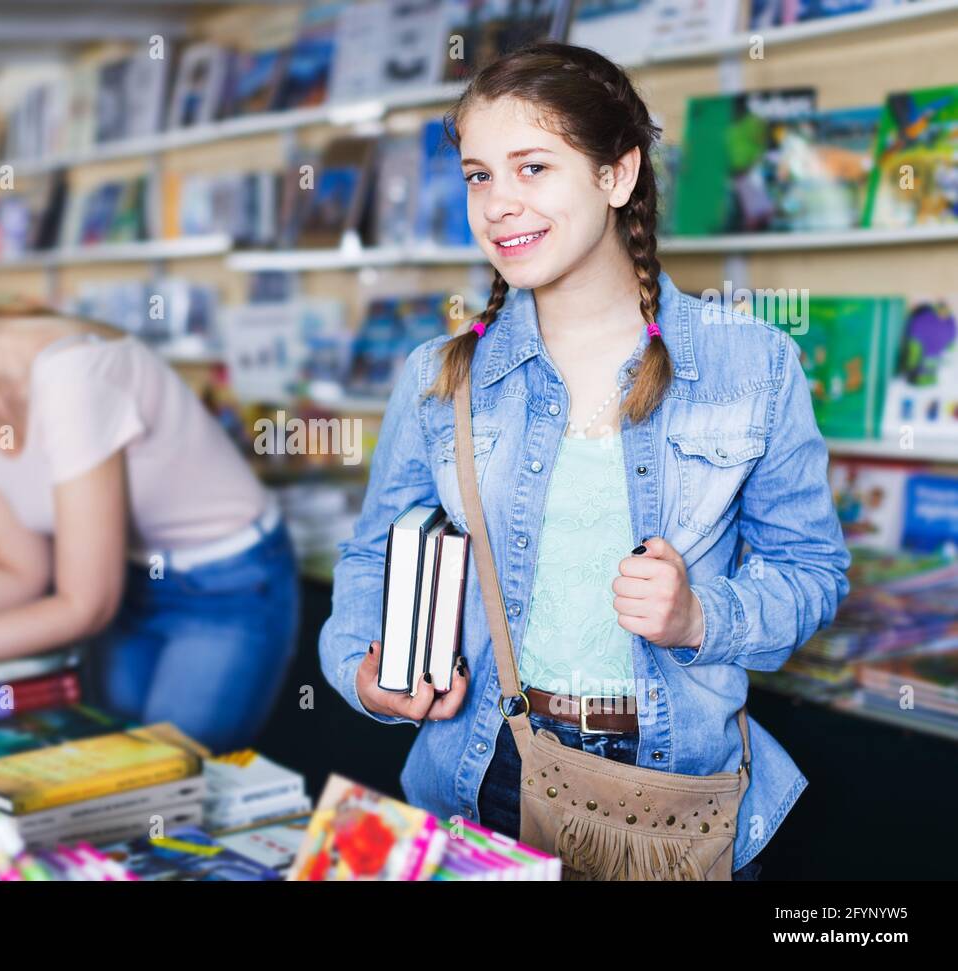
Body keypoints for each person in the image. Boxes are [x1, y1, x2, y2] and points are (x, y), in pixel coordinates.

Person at [318, 42, 851, 880]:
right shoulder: (438, 376)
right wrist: (360, 668)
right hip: (481, 771)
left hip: (670, 791)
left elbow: (813, 574)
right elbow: (371, 556)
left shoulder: (755, 363)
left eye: (532, 167)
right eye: (478, 175)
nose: (498, 204)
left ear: (618, 175)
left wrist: (698, 617)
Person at [0, 213, 299, 754]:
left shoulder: (72, 375)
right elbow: (19, 570)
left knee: (165, 779)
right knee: (113, 773)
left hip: (230, 585)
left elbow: (85, 605)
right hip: (133, 580)